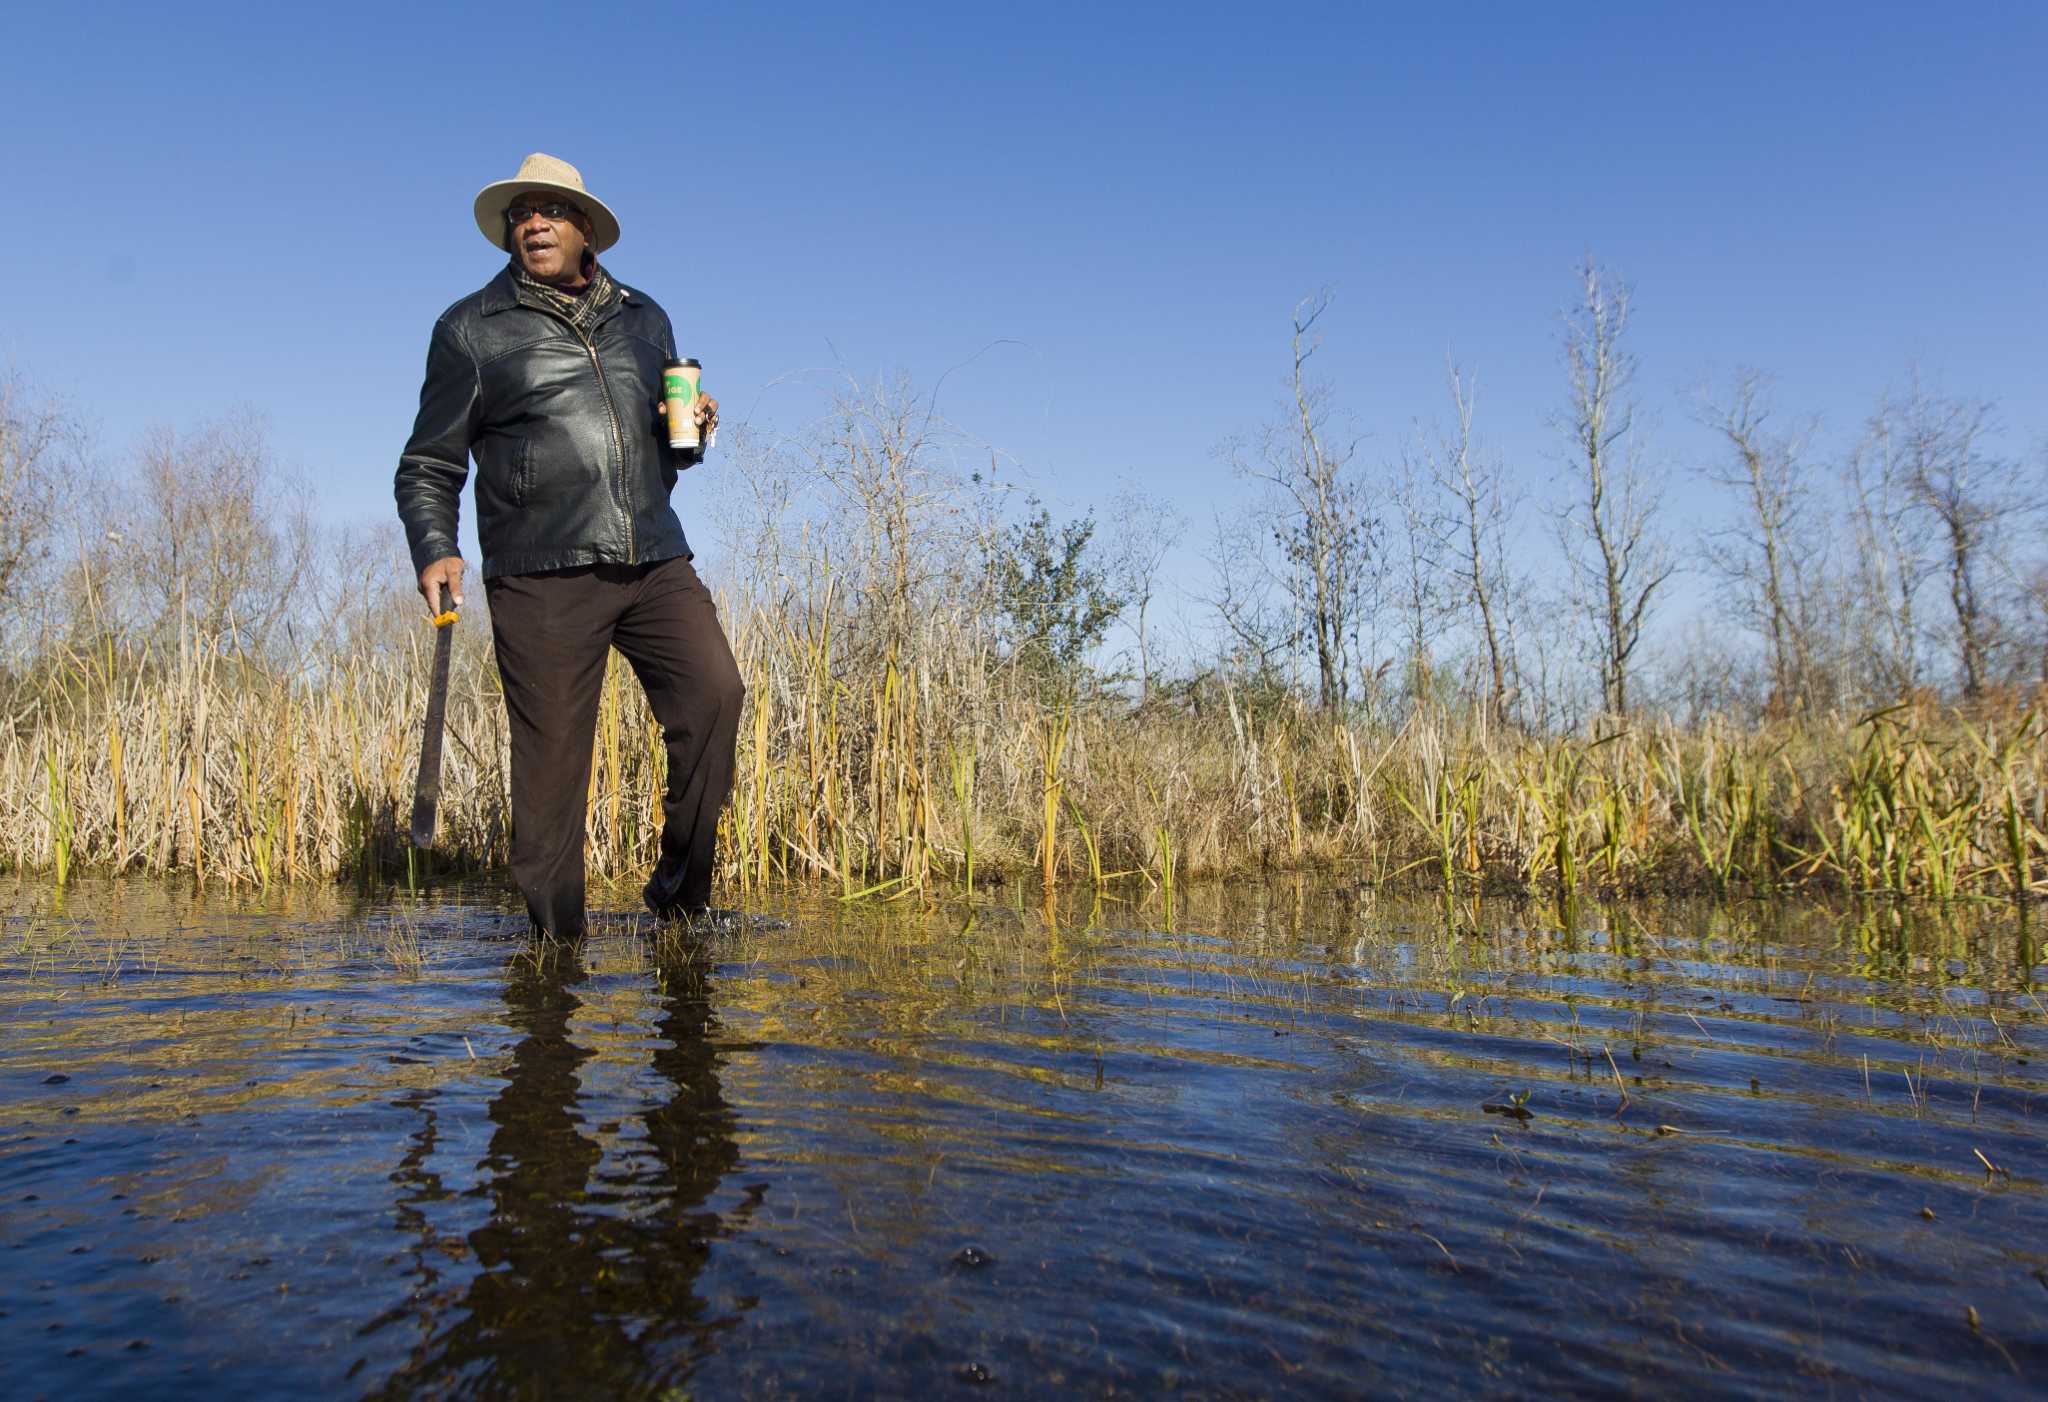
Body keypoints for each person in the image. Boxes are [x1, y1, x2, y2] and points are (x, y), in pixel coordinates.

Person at [395, 153, 744, 939]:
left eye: (551, 209)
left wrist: (690, 439)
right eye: (522, 213)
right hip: (541, 572)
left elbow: (660, 454)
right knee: (552, 779)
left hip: (654, 558)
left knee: (716, 697)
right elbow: (427, 462)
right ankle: (555, 954)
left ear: (587, 229)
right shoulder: (470, 330)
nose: (534, 222)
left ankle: (679, 902)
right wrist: (434, 546)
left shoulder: (646, 319)